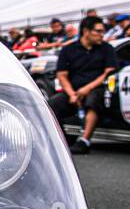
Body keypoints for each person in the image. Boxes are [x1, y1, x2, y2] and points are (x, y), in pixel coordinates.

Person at [48, 15, 117, 155]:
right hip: (73, 91)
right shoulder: (68, 50)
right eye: (98, 31)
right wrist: (72, 94)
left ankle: (84, 141)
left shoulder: (107, 48)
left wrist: (86, 89)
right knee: (51, 105)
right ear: (86, 31)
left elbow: (109, 73)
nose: (101, 35)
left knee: (93, 99)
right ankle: (63, 140)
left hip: (97, 88)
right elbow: (62, 75)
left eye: (102, 31)